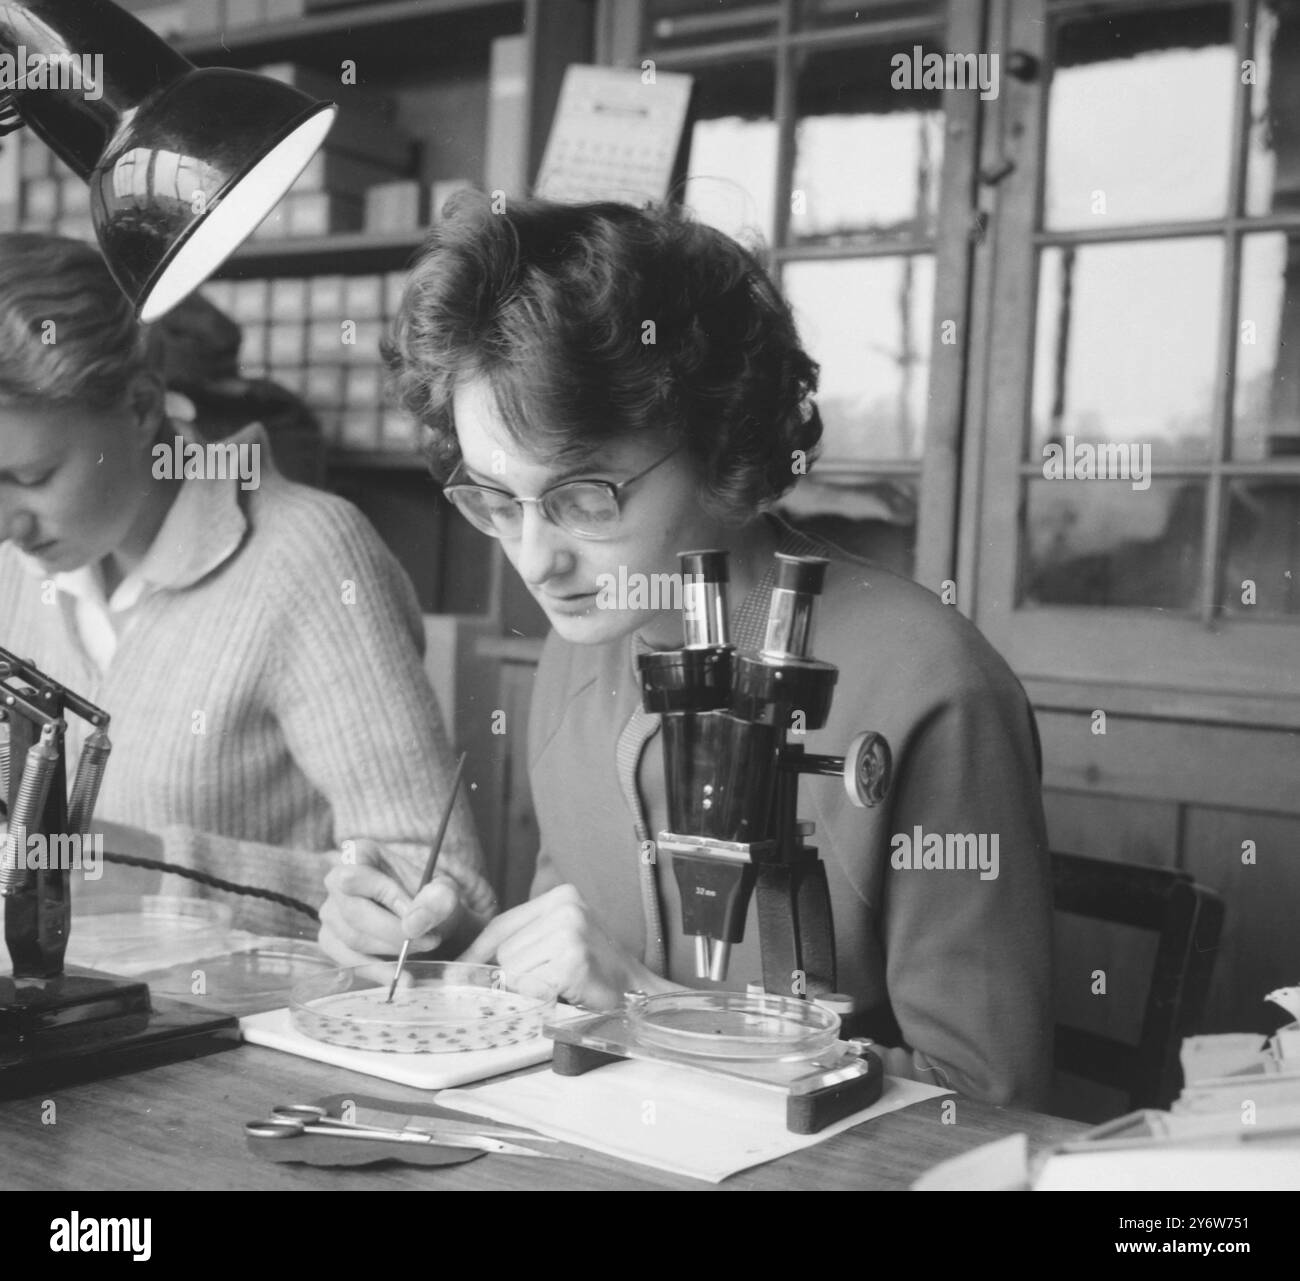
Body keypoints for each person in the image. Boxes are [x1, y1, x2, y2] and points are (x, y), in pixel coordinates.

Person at [331, 194, 1053, 1105]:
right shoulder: (577, 651)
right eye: (493, 499)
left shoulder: (931, 685)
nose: (535, 558)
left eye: (585, 497)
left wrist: (648, 1005)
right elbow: (585, 968)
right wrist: (464, 955)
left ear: (721, 443)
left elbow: (987, 1101)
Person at [0, 233, 493, 949]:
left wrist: (150, 874)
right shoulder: (23, 565)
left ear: (141, 407)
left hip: (250, 1035)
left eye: (32, 477)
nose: (5, 523)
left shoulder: (308, 556)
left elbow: (438, 880)